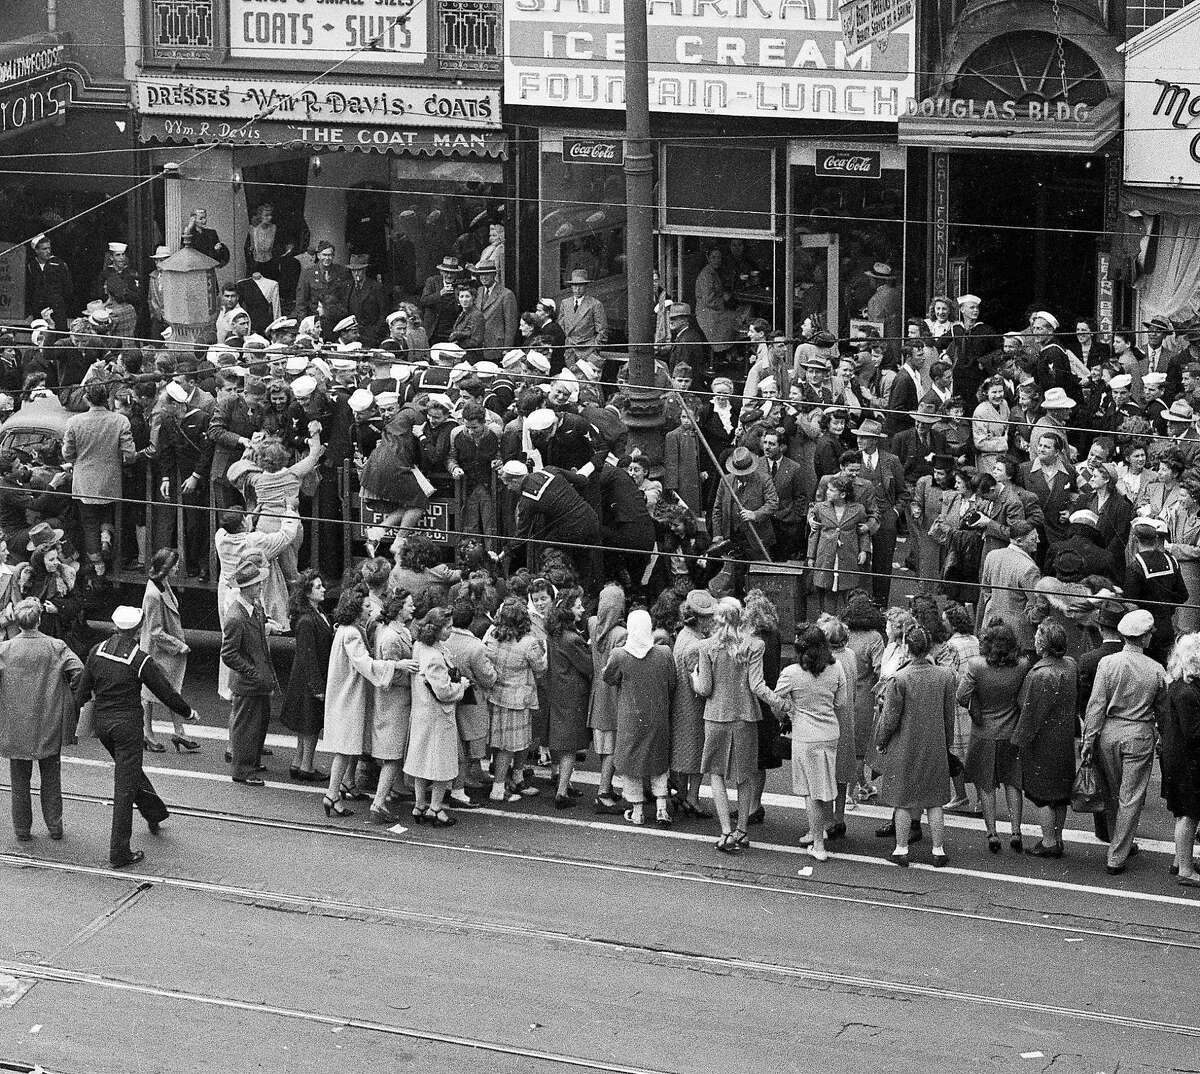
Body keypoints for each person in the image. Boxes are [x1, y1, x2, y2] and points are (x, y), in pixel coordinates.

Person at [75, 605, 199, 867]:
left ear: (115, 626)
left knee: (130, 773)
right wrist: (187, 712)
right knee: (125, 787)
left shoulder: (96, 651)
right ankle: (119, 851)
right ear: (138, 629)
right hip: (128, 728)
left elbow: (82, 692)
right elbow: (165, 691)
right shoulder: (139, 659)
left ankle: (154, 812)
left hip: (104, 727)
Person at [1081, 609, 1169, 875]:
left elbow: (1096, 705)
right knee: (1131, 797)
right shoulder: (1156, 669)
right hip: (1139, 734)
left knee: (1111, 793)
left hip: (1108, 732)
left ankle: (1117, 842)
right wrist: (1163, 738)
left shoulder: (1107, 664)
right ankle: (1118, 854)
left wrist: (1088, 740)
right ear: (1143, 637)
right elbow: (1162, 712)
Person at [693, 597, 784, 853]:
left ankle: (725, 831)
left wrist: (694, 677)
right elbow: (758, 686)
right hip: (746, 717)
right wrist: (780, 703)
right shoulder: (755, 645)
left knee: (716, 775)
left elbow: (705, 688)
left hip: (716, 716)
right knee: (745, 775)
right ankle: (742, 830)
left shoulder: (706, 646)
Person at [0, 597, 84, 843]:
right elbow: (79, 671)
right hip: (49, 720)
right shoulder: (56, 646)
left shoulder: (5, 649)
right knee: (51, 778)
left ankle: (22, 830)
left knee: (19, 781)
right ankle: (55, 827)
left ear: (18, 622)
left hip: (15, 723)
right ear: (39, 620)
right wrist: (70, 696)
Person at [875, 625, 956, 867]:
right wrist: (947, 743)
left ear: (907, 648)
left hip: (905, 745)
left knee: (902, 799)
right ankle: (938, 850)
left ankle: (901, 849)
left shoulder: (899, 678)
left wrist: (881, 741)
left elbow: (890, 718)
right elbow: (948, 715)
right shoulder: (945, 676)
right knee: (935, 800)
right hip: (934, 745)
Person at [322, 588, 401, 819]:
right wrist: (395, 666)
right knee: (344, 749)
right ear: (356, 610)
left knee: (345, 748)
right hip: (348, 697)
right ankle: (332, 794)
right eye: (366, 607)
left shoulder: (347, 629)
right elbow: (365, 664)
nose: (370, 610)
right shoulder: (352, 634)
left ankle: (337, 790)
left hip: (345, 695)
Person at [775, 625, 847, 862]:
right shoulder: (837, 668)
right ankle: (822, 829)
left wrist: (788, 712)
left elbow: (776, 699)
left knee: (810, 792)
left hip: (805, 735)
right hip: (830, 733)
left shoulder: (791, 673)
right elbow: (841, 702)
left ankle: (818, 843)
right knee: (824, 786)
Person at [958, 621, 1029, 852]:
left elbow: (961, 695)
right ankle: (1016, 831)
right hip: (1011, 730)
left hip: (984, 731)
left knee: (986, 784)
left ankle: (992, 834)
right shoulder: (1022, 665)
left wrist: (976, 704)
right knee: (1013, 782)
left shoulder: (976, 665)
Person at [603, 608, 677, 827]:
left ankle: (637, 812)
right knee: (658, 760)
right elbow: (672, 682)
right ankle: (662, 808)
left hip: (630, 719)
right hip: (658, 716)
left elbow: (609, 677)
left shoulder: (620, 655)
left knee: (631, 762)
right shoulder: (664, 653)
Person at [1013, 621, 1078, 858]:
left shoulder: (1039, 674)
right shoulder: (1070, 665)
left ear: (1043, 644)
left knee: (1042, 795)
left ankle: (1048, 841)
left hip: (1042, 742)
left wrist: (1019, 739)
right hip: (1064, 738)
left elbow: (1027, 707)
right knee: (1060, 794)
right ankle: (1057, 838)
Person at [62, 382, 137, 570]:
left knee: (89, 523)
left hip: (84, 482)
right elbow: (130, 454)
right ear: (107, 399)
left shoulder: (74, 422)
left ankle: (98, 565)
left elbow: (67, 454)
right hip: (110, 480)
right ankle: (106, 536)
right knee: (108, 513)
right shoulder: (120, 421)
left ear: (86, 399)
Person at [404, 608, 469, 827]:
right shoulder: (434, 657)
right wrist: (461, 686)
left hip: (422, 713)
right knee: (443, 765)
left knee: (421, 761)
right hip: (439, 716)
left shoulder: (420, 647)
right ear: (436, 629)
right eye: (448, 627)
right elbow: (444, 692)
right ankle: (435, 808)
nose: (451, 630)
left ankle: (419, 804)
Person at [220, 557, 280, 787]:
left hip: (257, 680)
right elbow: (229, 654)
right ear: (245, 588)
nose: (260, 586)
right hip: (249, 682)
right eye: (256, 584)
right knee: (246, 727)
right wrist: (253, 672)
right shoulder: (236, 617)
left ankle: (250, 763)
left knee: (257, 724)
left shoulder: (253, 608)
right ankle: (242, 770)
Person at [483, 598, 546, 804]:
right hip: (520, 699)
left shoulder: (492, 638)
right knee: (512, 745)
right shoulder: (529, 643)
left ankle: (513, 779)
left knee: (503, 743)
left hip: (496, 695)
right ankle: (499, 788)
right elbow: (540, 668)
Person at [139, 550, 194, 755]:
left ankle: (178, 731)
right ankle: (149, 733)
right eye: (175, 565)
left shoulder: (162, 583)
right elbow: (155, 632)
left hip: (164, 651)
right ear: (166, 568)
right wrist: (178, 645)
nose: (178, 568)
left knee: (169, 690)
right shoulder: (153, 594)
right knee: (152, 692)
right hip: (158, 650)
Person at [280, 571, 332, 783]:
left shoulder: (314, 614)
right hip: (309, 680)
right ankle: (306, 766)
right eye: (318, 587)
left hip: (305, 679)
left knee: (305, 723)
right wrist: (317, 687)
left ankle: (298, 761)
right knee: (311, 724)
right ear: (308, 593)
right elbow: (308, 656)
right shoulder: (307, 621)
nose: (323, 589)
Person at [670, 589, 716, 818]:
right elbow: (699, 682)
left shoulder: (683, 636)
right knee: (697, 752)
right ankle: (692, 797)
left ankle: (681, 794)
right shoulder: (697, 646)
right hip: (694, 705)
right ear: (701, 619)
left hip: (680, 702)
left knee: (683, 750)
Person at [545, 590, 593, 808]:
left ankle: (563, 784)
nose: (582, 609)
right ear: (568, 610)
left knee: (561, 744)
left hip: (558, 693)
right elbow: (588, 666)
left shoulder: (554, 635)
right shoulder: (572, 639)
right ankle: (562, 792)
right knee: (570, 748)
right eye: (578, 606)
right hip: (573, 697)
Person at [1163, 633, 1200, 886]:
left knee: (1184, 813)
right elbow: (1194, 732)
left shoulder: (1179, 685)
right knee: (1189, 813)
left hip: (1179, 759)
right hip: (1188, 763)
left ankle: (1180, 861)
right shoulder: (1188, 692)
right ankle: (1185, 869)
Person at [805, 475, 870, 617]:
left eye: (831, 490)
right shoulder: (820, 508)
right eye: (828, 489)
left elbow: (863, 532)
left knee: (849, 591)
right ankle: (827, 621)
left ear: (843, 494)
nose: (827, 492)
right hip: (826, 556)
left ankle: (847, 622)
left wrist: (864, 550)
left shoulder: (858, 509)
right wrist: (811, 556)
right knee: (827, 590)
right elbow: (814, 533)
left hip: (848, 556)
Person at [588, 582, 627, 812]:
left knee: (604, 746)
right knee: (612, 747)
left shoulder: (592, 623)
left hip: (597, 693)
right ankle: (603, 792)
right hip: (613, 695)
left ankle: (606, 787)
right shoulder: (621, 634)